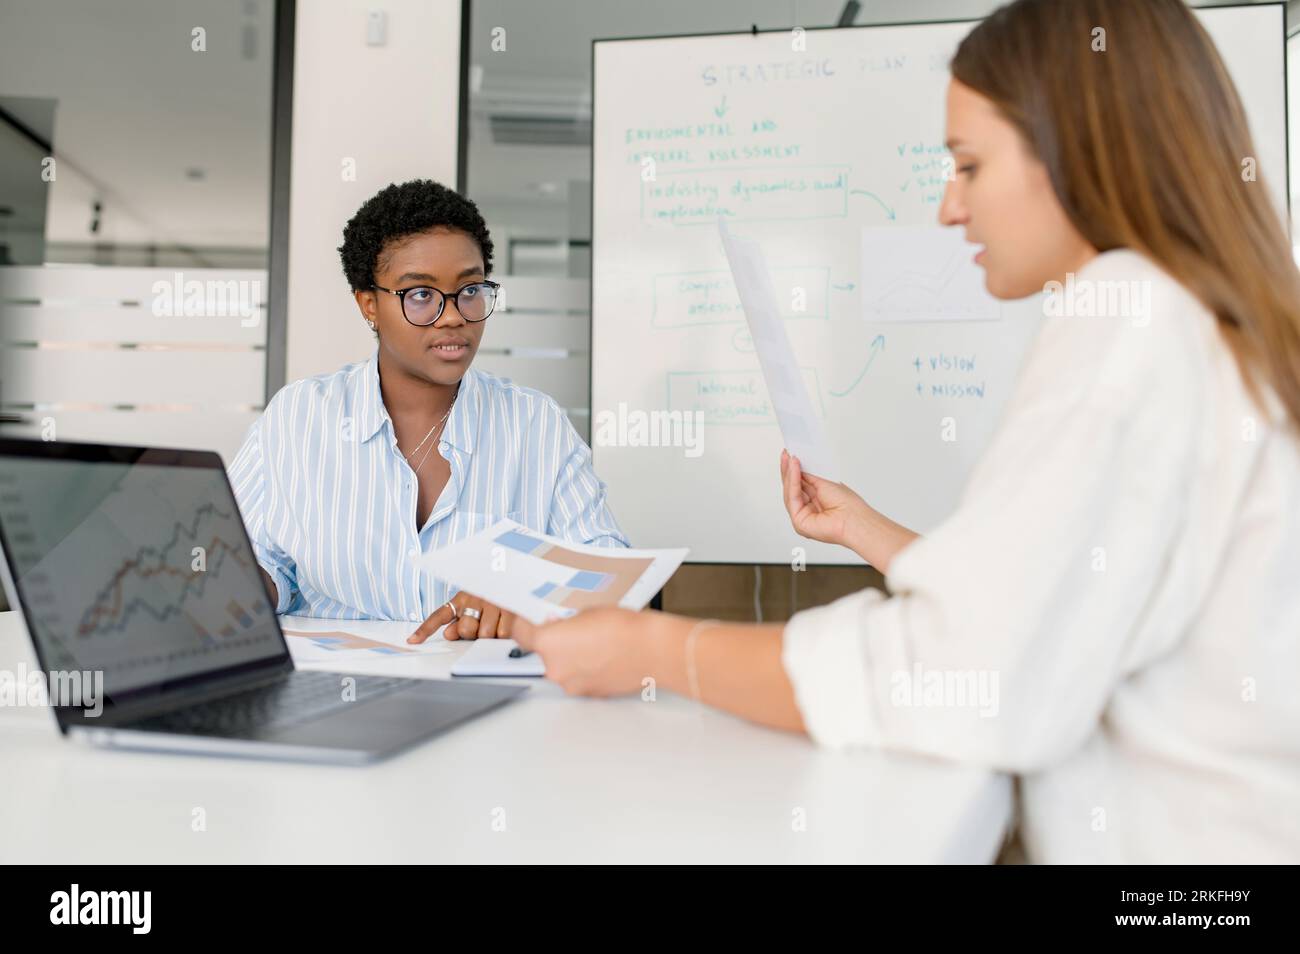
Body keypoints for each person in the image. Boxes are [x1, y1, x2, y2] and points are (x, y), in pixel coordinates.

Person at [513, 0, 1300, 862]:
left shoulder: (1130, 320)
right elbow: (1048, 593)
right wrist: (862, 527)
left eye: (968, 165)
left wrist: (661, 650)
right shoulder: (1199, 320)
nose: (947, 210)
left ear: (1074, 147)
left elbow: (969, 676)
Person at [230, 179, 627, 640]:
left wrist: (524, 593)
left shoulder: (535, 425)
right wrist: (234, 588)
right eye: (420, 294)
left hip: (488, 694)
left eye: (470, 289)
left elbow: (609, 571)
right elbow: (257, 560)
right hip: (341, 686)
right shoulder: (298, 418)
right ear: (368, 305)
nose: (455, 315)